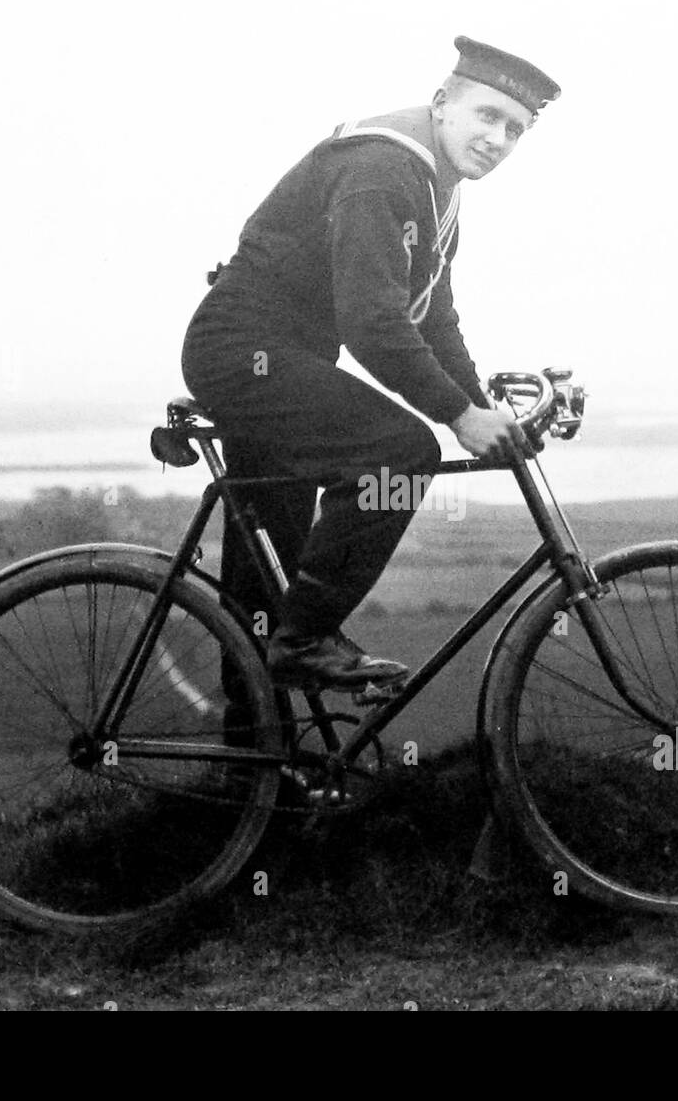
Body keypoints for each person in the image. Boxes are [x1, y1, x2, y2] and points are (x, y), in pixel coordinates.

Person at [181, 36, 560, 694]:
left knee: (266, 582)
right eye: (487, 116)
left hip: (282, 360)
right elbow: (374, 324)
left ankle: (253, 775)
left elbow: (434, 318)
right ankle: (306, 643)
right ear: (443, 104)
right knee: (399, 453)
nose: (498, 138)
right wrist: (456, 415)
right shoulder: (383, 169)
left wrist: (478, 407)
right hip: (244, 354)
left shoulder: (438, 188)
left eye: (515, 130)